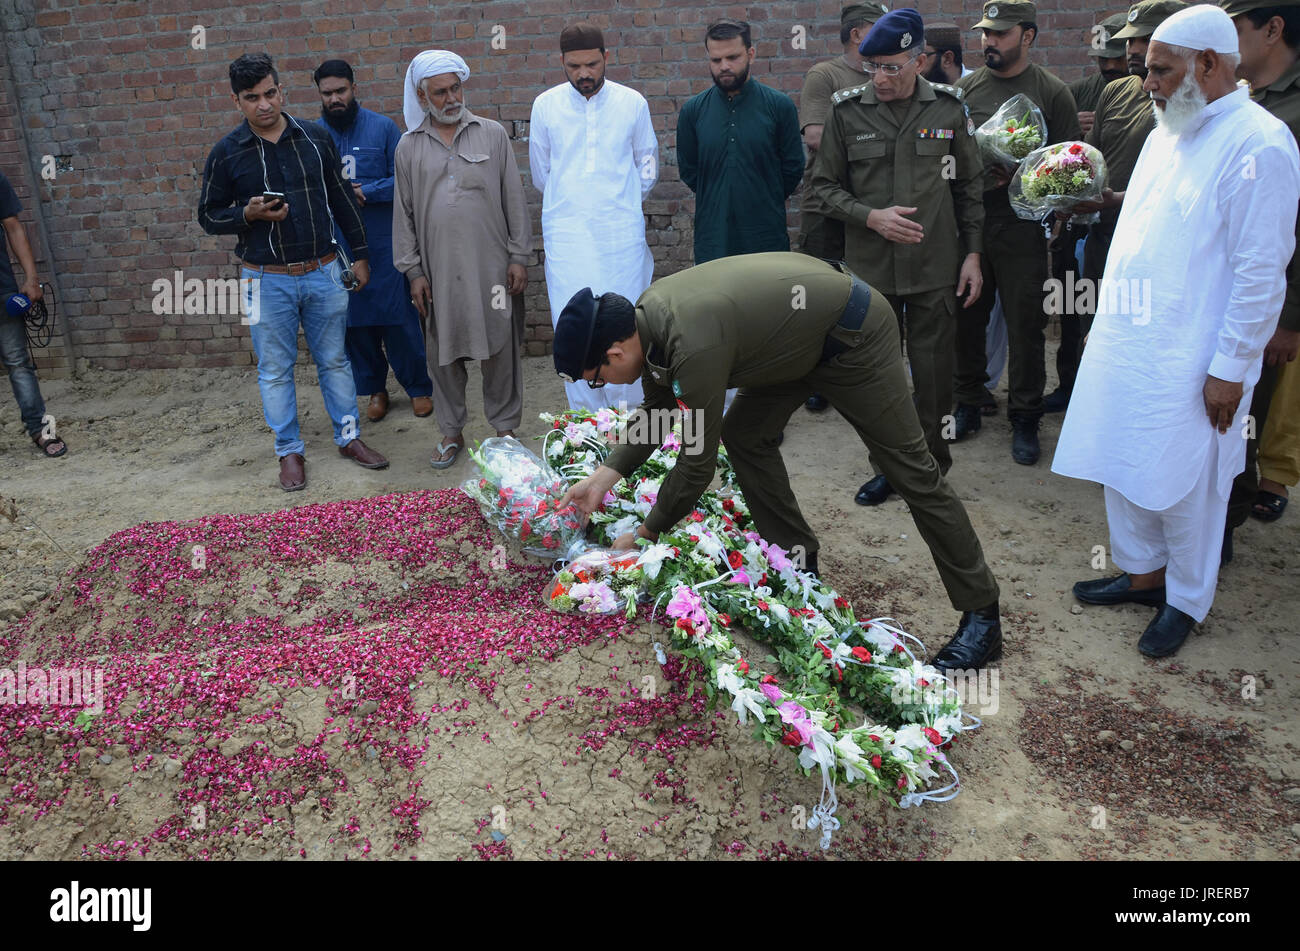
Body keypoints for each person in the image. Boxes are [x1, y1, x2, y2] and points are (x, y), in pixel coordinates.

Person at [553, 252, 1006, 672]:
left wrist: (646, 534)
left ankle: (982, 616)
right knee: (746, 433)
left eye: (597, 380)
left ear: (614, 354)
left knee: (912, 472)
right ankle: (799, 564)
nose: (603, 386)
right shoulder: (646, 321)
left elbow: (696, 464)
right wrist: (604, 476)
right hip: (795, 343)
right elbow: (659, 408)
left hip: (853, 334)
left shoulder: (691, 341)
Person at [1053, 5, 1300, 658]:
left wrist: (1229, 368)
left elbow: (1259, 273)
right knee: (1126, 460)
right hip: (1130, 339)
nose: (1146, 82)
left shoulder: (1260, 143)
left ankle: (1185, 599)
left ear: (1210, 64)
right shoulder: (1171, 127)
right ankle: (1141, 575)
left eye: (1160, 69)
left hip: (1198, 356)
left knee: (1192, 482)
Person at [811, 9, 985, 506]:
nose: (880, 78)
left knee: (932, 379)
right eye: (872, 68)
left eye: (891, 67)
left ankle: (930, 470)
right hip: (871, 273)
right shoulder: (847, 114)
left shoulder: (950, 109)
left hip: (935, 269)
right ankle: (888, 469)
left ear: (919, 60)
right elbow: (823, 189)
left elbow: (969, 188)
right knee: (879, 382)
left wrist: (973, 255)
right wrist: (871, 217)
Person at [198, 53, 387, 493]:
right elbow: (208, 216)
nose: (263, 105)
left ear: (281, 90)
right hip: (265, 278)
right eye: (251, 98)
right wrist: (246, 213)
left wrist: (360, 254)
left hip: (323, 270)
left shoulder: (315, 138)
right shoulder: (227, 153)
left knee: (335, 360)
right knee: (275, 370)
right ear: (236, 101)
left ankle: (349, 438)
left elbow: (342, 198)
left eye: (270, 94)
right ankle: (289, 451)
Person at [951, 1, 1082, 466]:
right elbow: (949, 150)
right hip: (971, 220)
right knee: (967, 314)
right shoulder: (966, 88)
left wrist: (1029, 176)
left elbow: (1073, 165)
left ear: (1027, 36)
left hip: (1023, 225)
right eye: (985, 33)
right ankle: (968, 401)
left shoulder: (1052, 90)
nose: (989, 41)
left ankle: (1025, 416)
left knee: (1026, 322)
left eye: (1000, 33)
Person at [393, 51, 532, 469]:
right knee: (443, 352)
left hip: (492, 271)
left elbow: (514, 198)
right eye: (441, 92)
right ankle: (451, 432)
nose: (451, 98)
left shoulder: (491, 134)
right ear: (422, 97)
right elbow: (405, 213)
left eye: (456, 88)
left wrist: (518, 255)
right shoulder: (409, 146)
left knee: (500, 348)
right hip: (438, 274)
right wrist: (413, 270)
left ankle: (505, 431)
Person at [1051, 0, 1189, 418]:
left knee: (1147, 344)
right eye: (1130, 41)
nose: (1132, 51)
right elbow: (1098, 161)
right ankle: (1097, 418)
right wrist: (1062, 194)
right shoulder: (1119, 91)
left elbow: (1180, 182)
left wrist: (1115, 200)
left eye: (1144, 40)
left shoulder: (1194, 101)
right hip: (1106, 237)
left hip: (1161, 247)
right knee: (1096, 332)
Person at [529, 22, 658, 414]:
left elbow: (647, 165)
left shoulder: (632, 102)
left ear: (606, 57)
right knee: (574, 322)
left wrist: (618, 205)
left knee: (626, 319)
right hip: (568, 236)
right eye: (573, 66)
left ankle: (635, 421)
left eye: (590, 64)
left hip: (620, 234)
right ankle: (586, 424)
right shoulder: (545, 105)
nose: (583, 74)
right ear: (562, 63)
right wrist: (575, 205)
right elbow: (541, 173)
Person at [313, 59, 434, 424]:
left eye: (341, 91)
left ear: (354, 88)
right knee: (355, 325)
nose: (335, 98)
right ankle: (376, 391)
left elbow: (407, 180)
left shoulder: (383, 129)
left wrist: (367, 190)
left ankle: (419, 388)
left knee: (399, 320)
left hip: (384, 242)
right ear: (319, 95)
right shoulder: (312, 135)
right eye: (327, 93)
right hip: (339, 247)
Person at [1219, 0, 1300, 531]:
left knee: (1247, 414)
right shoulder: (1243, 98)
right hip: (1229, 287)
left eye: (1236, 28)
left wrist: (1290, 318)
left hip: (1273, 298)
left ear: (1274, 29)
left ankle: (1227, 524)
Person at [796, 3, 888, 416]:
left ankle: (853, 377)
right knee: (819, 300)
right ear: (858, 34)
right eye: (880, 27)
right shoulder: (826, 76)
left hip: (872, 208)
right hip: (827, 208)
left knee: (863, 301)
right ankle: (814, 380)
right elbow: (815, 136)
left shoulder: (888, 72)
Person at [677, 19, 805, 264]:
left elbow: (792, 169)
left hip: (766, 238)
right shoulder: (693, 111)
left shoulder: (779, 106)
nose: (724, 66)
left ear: (751, 54)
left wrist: (759, 194)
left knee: (766, 300)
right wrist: (721, 194)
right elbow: (690, 171)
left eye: (732, 58)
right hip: (713, 239)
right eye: (716, 60)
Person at [0, 170, 63, 458]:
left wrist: (31, 277)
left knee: (18, 363)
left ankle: (40, 431)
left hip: (2, 292)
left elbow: (13, 226)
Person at [1069, 12, 1132, 135]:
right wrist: (1070, 126)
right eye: (1103, 59)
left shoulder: (1151, 89)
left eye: (1119, 58)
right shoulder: (1077, 92)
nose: (1110, 66)